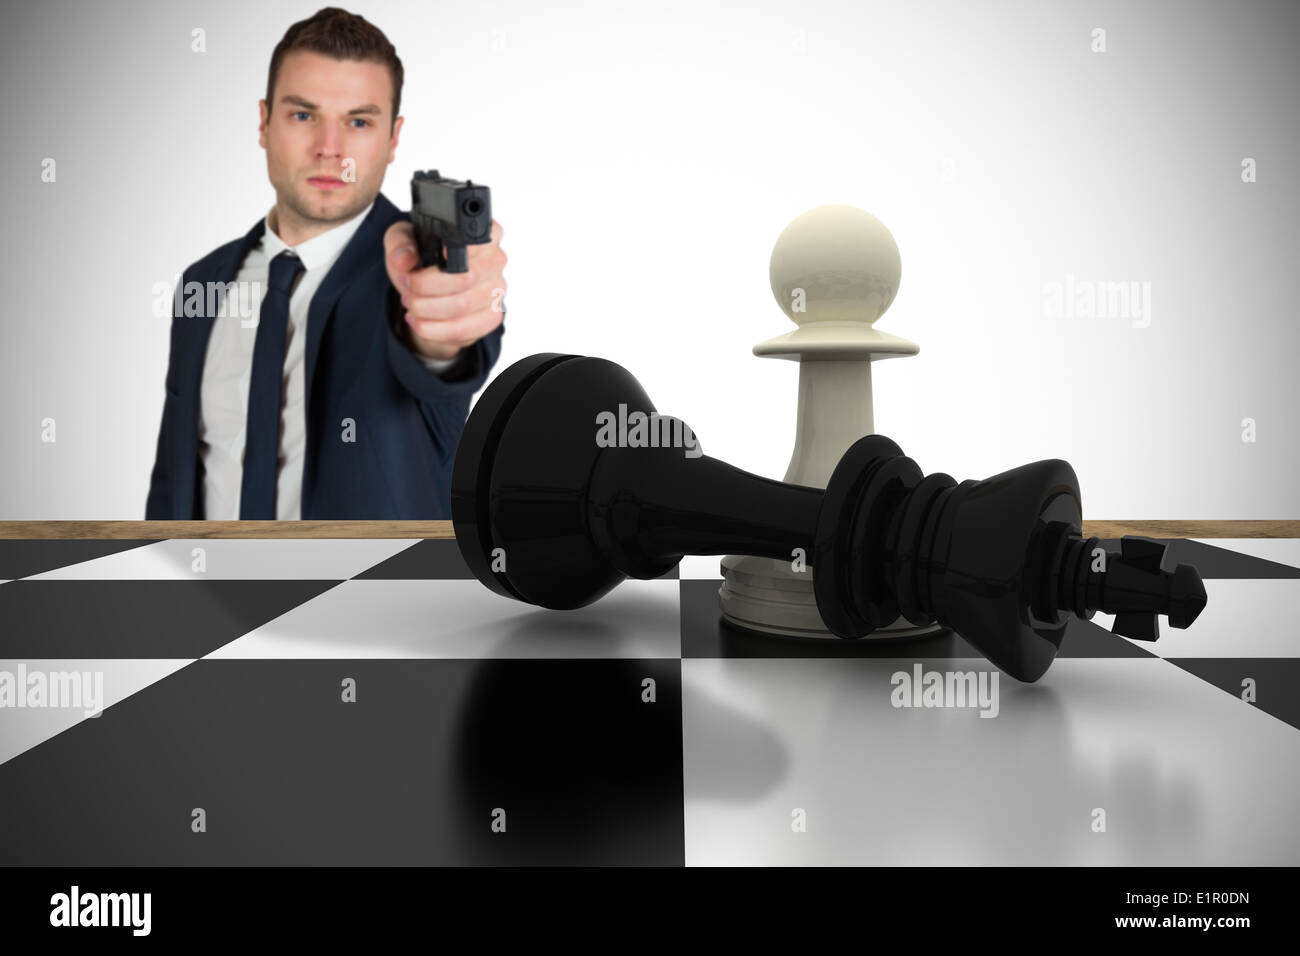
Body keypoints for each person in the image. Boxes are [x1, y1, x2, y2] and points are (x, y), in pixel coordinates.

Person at [145, 7, 507, 520]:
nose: (329, 150)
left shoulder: (417, 272)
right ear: (264, 123)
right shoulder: (201, 283)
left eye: (358, 121)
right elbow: (174, 473)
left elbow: (442, 353)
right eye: (303, 115)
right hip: (207, 590)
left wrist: (442, 328)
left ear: (393, 138)